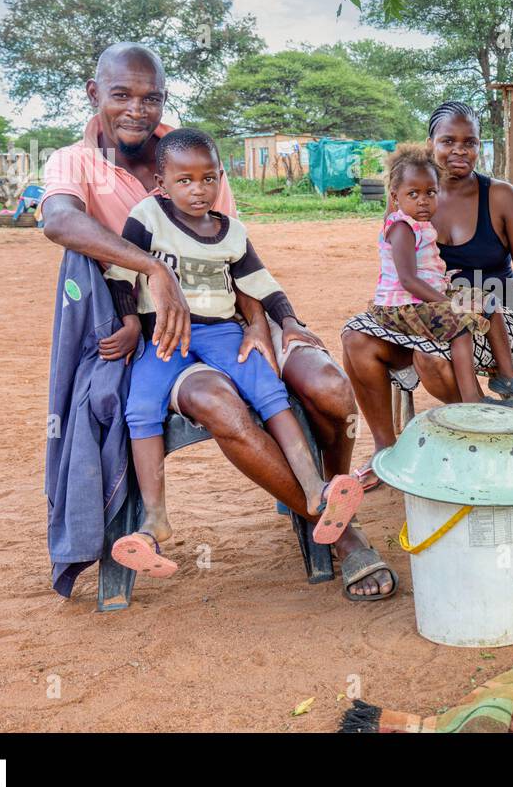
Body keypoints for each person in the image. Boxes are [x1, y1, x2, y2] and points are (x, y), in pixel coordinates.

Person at [40, 42, 395, 600]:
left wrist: (261, 322)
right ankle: (335, 529)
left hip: (232, 316)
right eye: (122, 95)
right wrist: (153, 269)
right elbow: (59, 221)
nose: (138, 108)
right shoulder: (72, 161)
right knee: (215, 401)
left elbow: (236, 254)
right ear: (94, 95)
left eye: (151, 97)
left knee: (329, 388)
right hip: (159, 330)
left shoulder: (191, 154)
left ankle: (316, 490)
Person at [102, 129, 364, 578]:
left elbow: (261, 285)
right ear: (162, 182)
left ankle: (314, 487)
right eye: (184, 180)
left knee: (268, 391)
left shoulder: (231, 233)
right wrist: (129, 325)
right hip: (162, 337)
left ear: (221, 178)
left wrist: (290, 323)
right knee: (140, 410)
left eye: (208, 178)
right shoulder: (147, 217)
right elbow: (120, 273)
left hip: (223, 332)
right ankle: (154, 521)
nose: (198, 189)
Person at [341, 102, 513, 487]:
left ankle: (479, 436)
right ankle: (387, 451)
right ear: (430, 143)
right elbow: (397, 267)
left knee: (430, 355)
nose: (460, 150)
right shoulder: (407, 195)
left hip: (494, 314)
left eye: (470, 142)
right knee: (355, 337)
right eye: (448, 140)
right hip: (428, 308)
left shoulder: (501, 197)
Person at [367, 143, 513, 405]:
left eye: (430, 193)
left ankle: (507, 376)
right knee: (460, 323)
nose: (423, 200)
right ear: (395, 198)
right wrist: (448, 301)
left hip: (422, 297)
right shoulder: (401, 228)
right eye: (413, 194)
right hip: (402, 305)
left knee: (488, 301)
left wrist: (445, 279)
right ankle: (474, 398)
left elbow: (425, 268)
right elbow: (408, 280)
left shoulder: (420, 225)